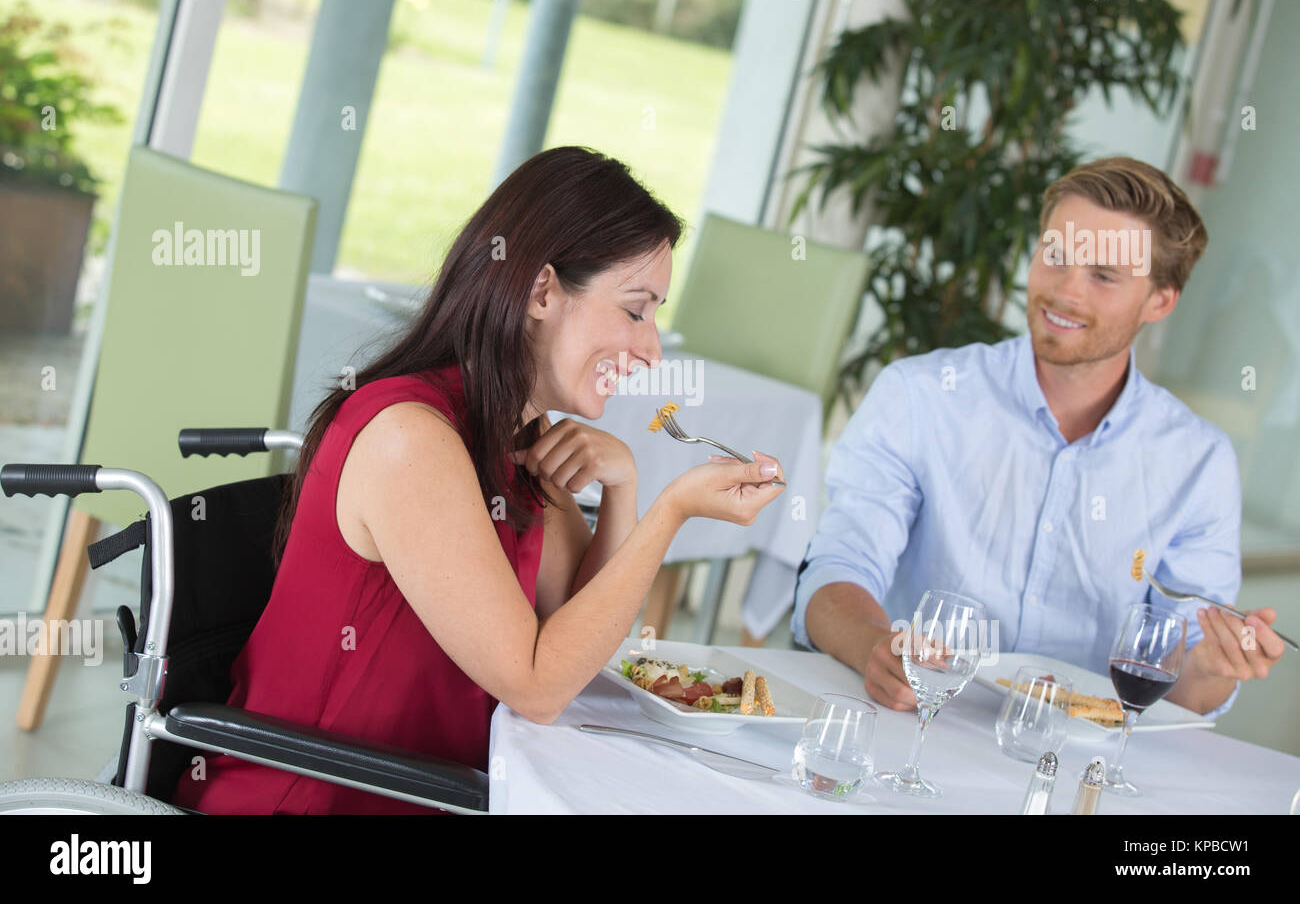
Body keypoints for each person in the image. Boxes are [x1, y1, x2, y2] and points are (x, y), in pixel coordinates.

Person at [172, 146, 785, 814]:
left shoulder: (517, 439)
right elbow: (539, 684)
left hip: (439, 792)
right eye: (636, 310)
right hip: (320, 797)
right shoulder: (412, 440)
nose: (652, 349)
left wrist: (626, 491)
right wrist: (671, 513)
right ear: (542, 291)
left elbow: (575, 641)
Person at [791, 156, 1286, 719]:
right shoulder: (921, 396)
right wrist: (871, 647)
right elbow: (835, 571)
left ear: (1160, 301)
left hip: (1073, 765)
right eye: (1055, 257)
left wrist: (1218, 667)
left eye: (1103, 276)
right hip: (912, 724)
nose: (1064, 292)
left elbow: (1184, 684)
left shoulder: (1199, 463)